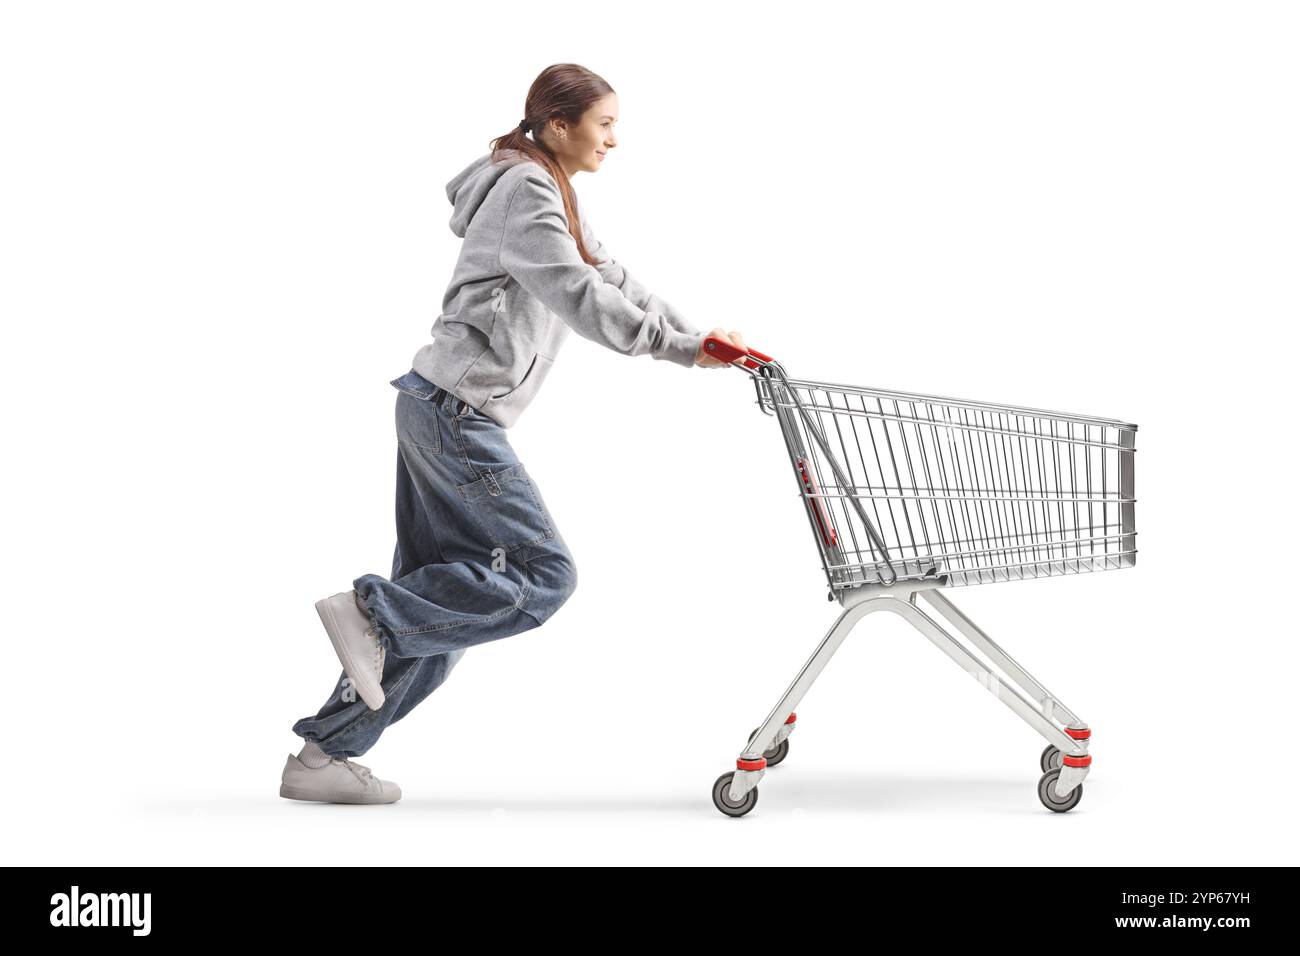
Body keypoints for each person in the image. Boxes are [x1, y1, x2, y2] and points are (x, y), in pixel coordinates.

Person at [280, 63, 747, 805]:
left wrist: (699, 337)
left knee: (446, 611)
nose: (614, 141)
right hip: (457, 414)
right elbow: (576, 291)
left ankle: (321, 755)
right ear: (559, 126)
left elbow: (611, 274)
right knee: (543, 579)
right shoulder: (527, 188)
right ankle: (370, 611)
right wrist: (682, 351)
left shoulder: (548, 183)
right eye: (605, 126)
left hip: (442, 407)